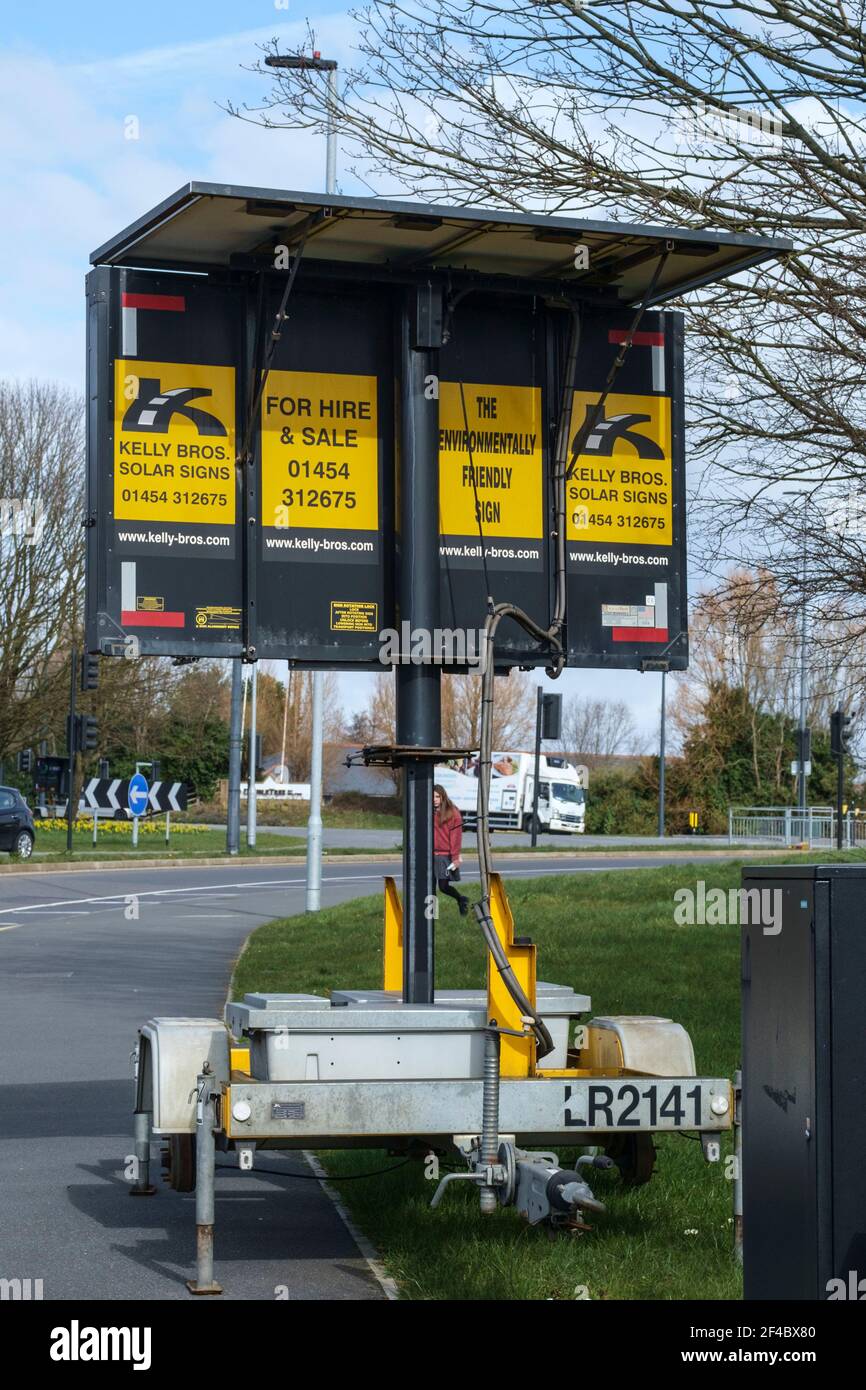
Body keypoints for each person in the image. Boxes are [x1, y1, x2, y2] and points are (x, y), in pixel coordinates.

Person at [433, 783, 469, 917]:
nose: (434, 799)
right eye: (432, 797)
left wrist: (455, 857)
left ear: (443, 797)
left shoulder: (452, 813)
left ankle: (461, 899)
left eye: (437, 796)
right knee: (428, 887)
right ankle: (431, 915)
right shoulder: (427, 811)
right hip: (429, 855)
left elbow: (456, 837)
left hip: (444, 856)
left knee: (443, 887)